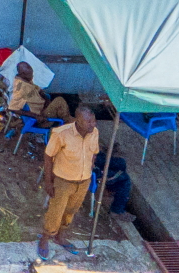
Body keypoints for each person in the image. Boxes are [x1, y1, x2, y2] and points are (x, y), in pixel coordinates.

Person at [39, 105, 101, 259]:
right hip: (63, 181)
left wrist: (90, 166)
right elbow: (48, 157)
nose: (92, 124)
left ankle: (60, 236)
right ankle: (45, 239)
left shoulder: (94, 133)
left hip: (83, 181)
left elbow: (94, 153)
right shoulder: (61, 134)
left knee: (71, 211)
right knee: (56, 211)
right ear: (78, 121)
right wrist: (48, 182)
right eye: (88, 122)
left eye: (93, 121)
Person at [92, 147, 132, 222]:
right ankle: (117, 210)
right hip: (90, 166)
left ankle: (110, 189)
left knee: (121, 163)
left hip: (92, 155)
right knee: (124, 180)